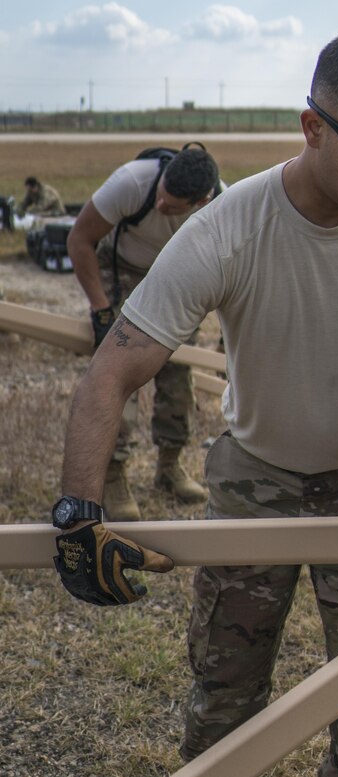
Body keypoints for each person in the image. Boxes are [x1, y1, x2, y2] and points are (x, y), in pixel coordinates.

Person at [53, 24, 338, 777]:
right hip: (252, 480)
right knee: (223, 694)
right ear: (311, 127)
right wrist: (78, 515)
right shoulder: (226, 230)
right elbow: (110, 374)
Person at [66, 146, 224, 520]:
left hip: (174, 277)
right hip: (120, 268)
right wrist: (101, 308)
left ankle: (170, 464)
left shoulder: (223, 206)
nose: (161, 204)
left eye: (171, 206)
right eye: (160, 196)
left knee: (179, 372)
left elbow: (232, 271)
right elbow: (80, 240)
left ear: (200, 201)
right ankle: (115, 473)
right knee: (120, 372)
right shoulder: (131, 182)